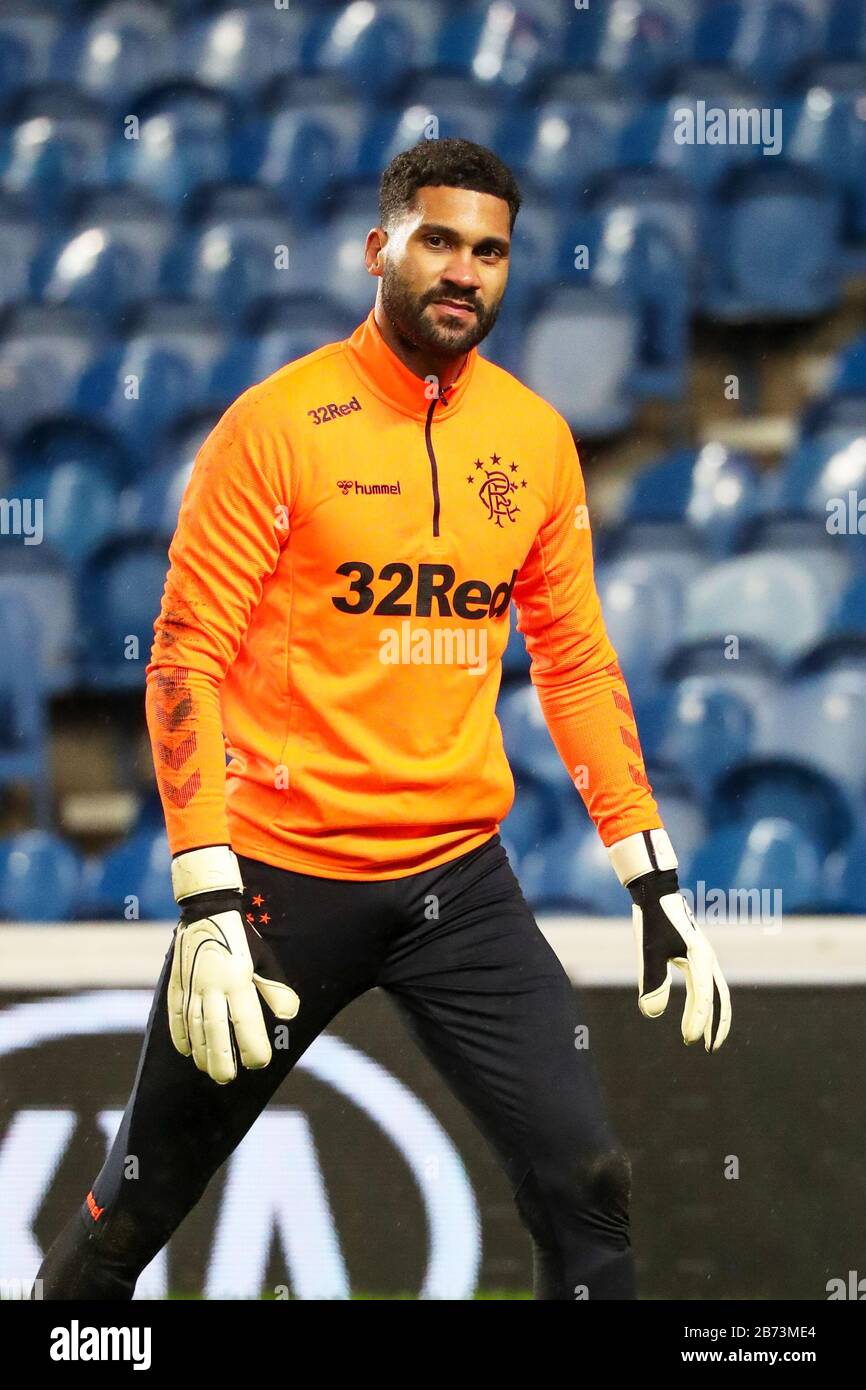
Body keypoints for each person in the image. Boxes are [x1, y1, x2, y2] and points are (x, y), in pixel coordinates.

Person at [37, 138, 730, 1302]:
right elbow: (182, 662)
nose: (464, 271)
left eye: (490, 251)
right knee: (138, 1202)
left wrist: (651, 879)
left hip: (457, 886)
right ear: (379, 249)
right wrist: (206, 895)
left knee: (587, 1180)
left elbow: (571, 664)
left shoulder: (535, 441)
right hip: (274, 886)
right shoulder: (275, 426)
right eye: (440, 241)